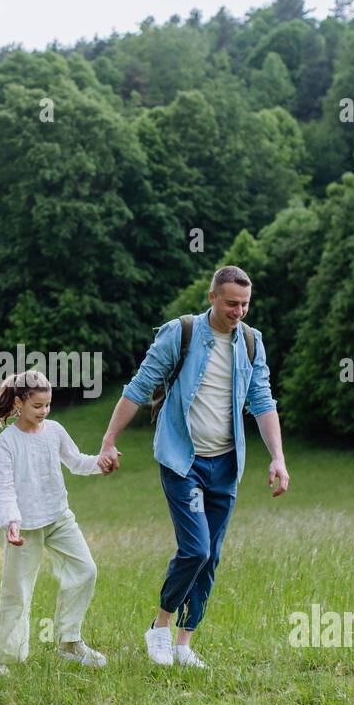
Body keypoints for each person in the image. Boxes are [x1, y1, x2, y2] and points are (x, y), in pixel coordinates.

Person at [98, 265, 290, 669]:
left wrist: (278, 457)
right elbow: (138, 386)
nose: (239, 311)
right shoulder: (180, 333)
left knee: (212, 555)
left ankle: (185, 643)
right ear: (212, 298)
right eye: (231, 303)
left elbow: (263, 401)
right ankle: (160, 627)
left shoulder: (252, 343)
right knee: (195, 548)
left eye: (245, 304)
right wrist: (109, 441)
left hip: (226, 462)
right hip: (182, 460)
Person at [0, 370, 110, 677]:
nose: (44, 411)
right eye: (38, 405)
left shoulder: (55, 431)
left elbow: (76, 461)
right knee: (17, 591)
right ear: (20, 402)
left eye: (48, 405)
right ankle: (7, 659)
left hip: (59, 517)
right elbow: (3, 487)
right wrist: (10, 520)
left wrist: (100, 462)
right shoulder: (8, 441)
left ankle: (68, 642)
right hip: (24, 526)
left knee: (85, 570)